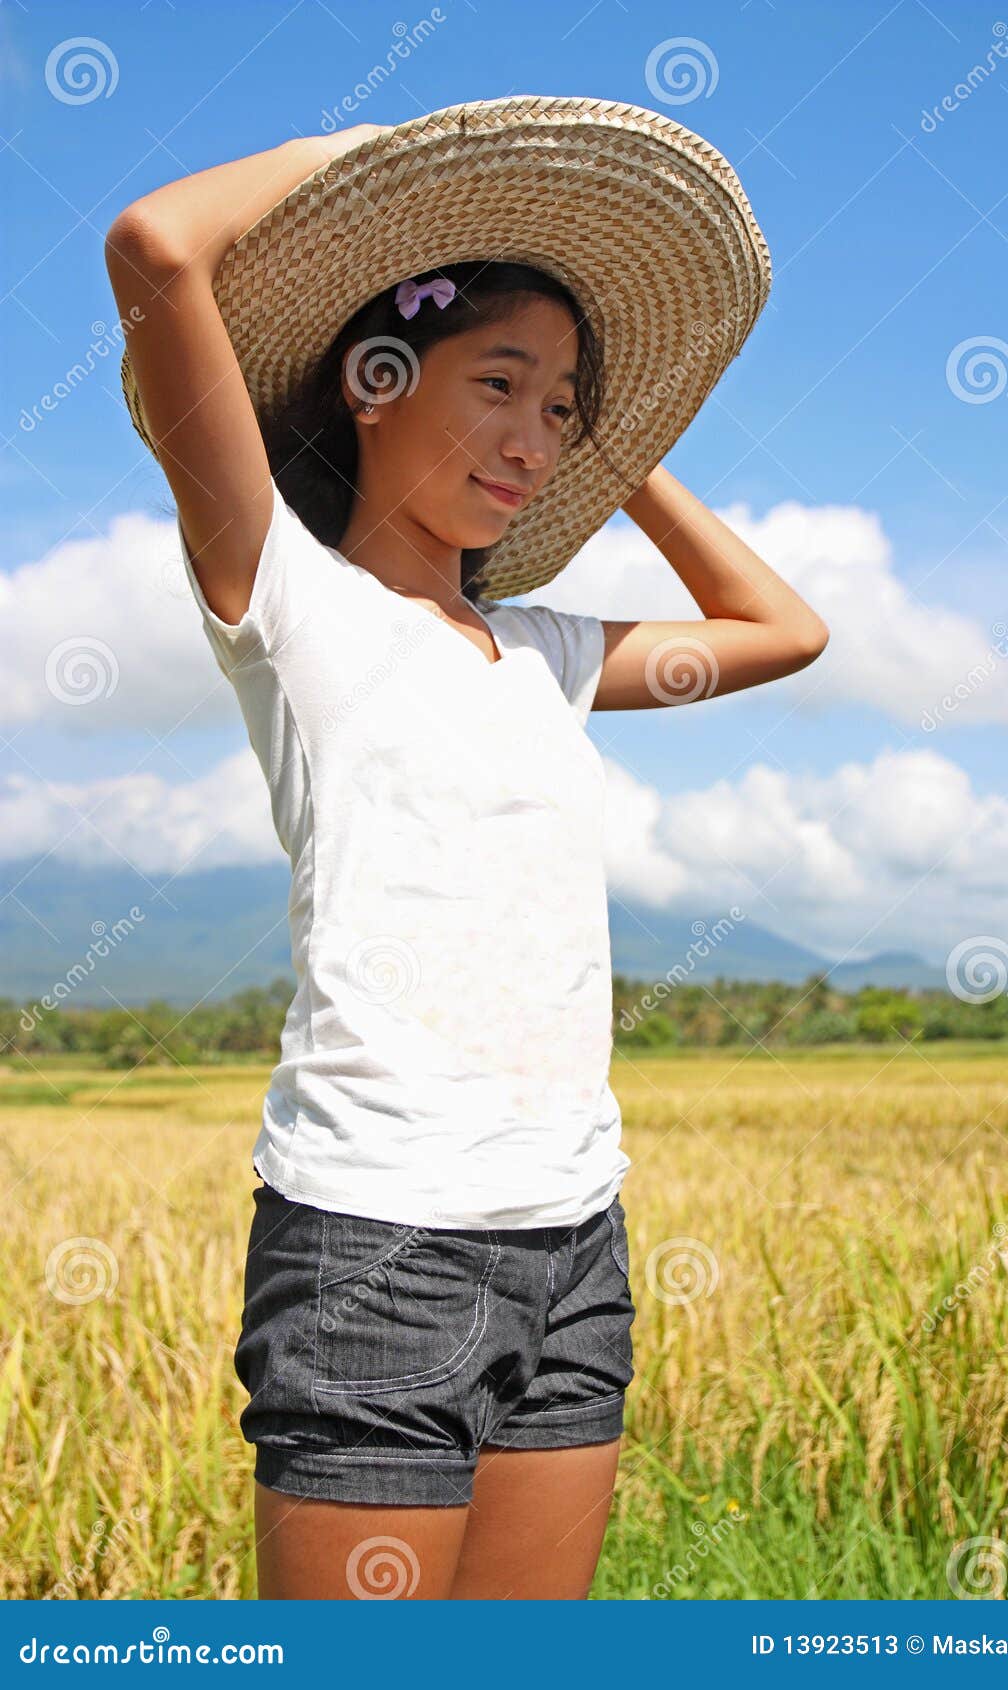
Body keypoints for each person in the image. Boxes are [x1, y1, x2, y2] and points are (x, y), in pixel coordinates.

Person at [105, 102, 827, 1601]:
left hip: (575, 1240)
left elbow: (781, 630)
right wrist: (359, 160)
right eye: (500, 382)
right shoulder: (289, 598)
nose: (533, 440)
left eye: (561, 410)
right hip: (378, 1244)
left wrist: (621, 454)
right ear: (375, 381)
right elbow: (156, 249)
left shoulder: (546, 652)